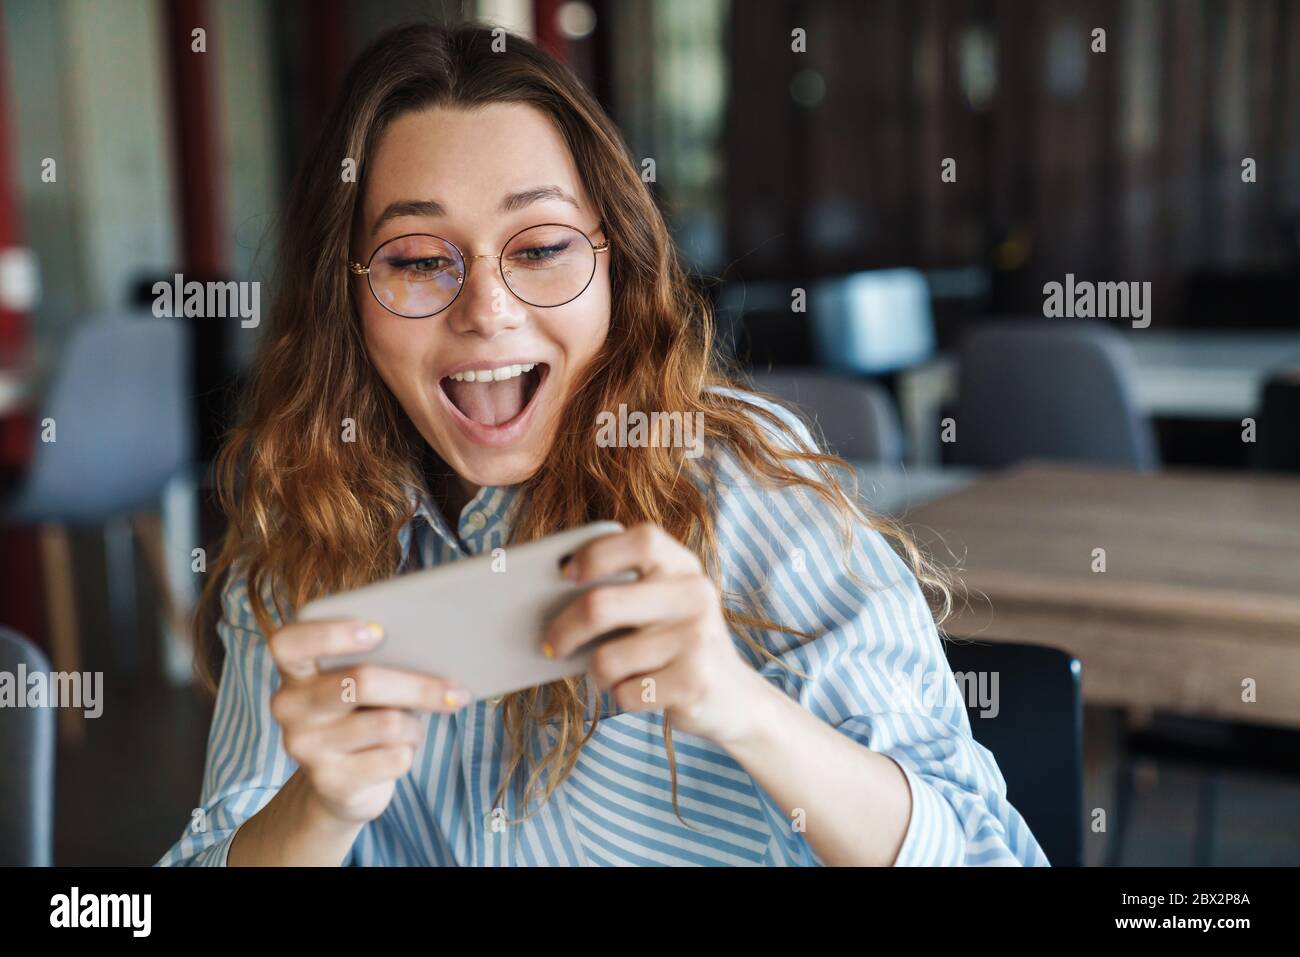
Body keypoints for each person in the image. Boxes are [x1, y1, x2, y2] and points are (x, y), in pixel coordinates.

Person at [160, 21, 1046, 867]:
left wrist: (740, 706)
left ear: (617, 266)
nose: (487, 309)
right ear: (346, 300)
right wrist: (317, 809)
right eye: (421, 259)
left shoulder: (742, 491)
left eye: (540, 246)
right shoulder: (304, 531)